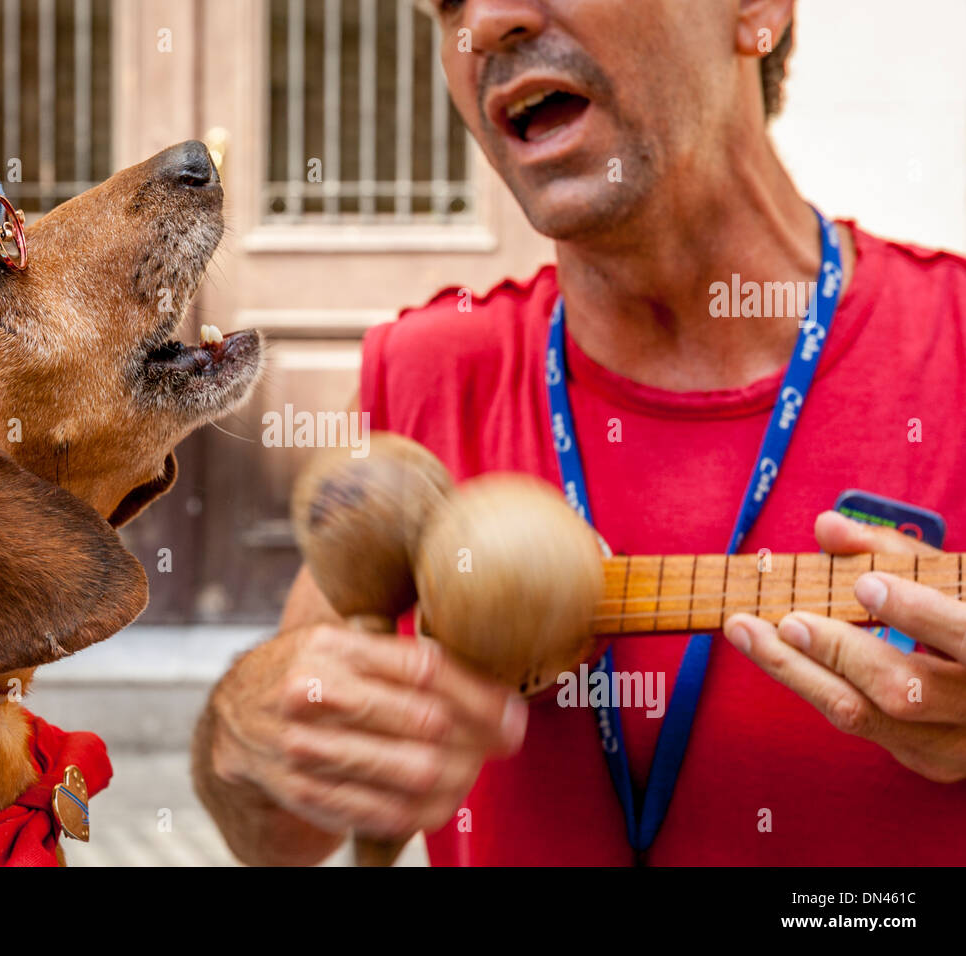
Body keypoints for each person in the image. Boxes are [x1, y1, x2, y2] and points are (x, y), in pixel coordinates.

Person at [191, 0, 966, 865]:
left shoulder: (956, 341)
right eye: (445, 3)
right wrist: (246, 738)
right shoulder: (429, 374)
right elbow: (281, 836)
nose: (481, 23)